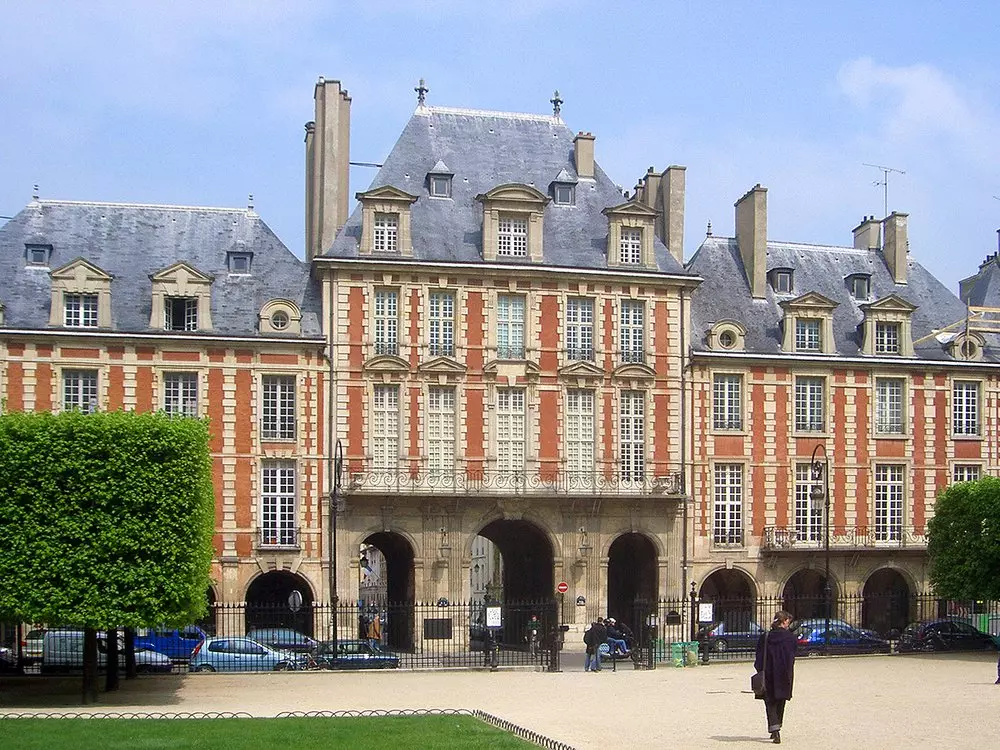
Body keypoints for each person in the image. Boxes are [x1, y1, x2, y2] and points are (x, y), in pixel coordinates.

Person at [754, 610, 797, 745]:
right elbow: (792, 656)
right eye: (787, 622)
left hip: (768, 673)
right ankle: (777, 725)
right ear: (784, 622)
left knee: (770, 702)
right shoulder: (790, 638)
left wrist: (760, 669)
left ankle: (775, 729)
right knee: (781, 700)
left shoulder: (765, 637)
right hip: (784, 673)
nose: (788, 625)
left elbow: (759, 657)